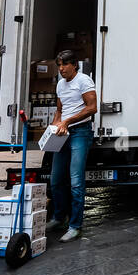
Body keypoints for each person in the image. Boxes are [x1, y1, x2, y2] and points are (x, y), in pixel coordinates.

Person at [48, 50, 97, 242]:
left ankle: (75, 226)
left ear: (74, 65)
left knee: (76, 180)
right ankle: (59, 218)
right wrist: (55, 124)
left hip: (80, 132)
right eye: (59, 65)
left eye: (64, 65)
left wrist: (67, 122)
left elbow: (92, 108)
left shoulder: (84, 81)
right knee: (56, 179)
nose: (61, 69)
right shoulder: (60, 84)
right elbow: (60, 110)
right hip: (63, 133)